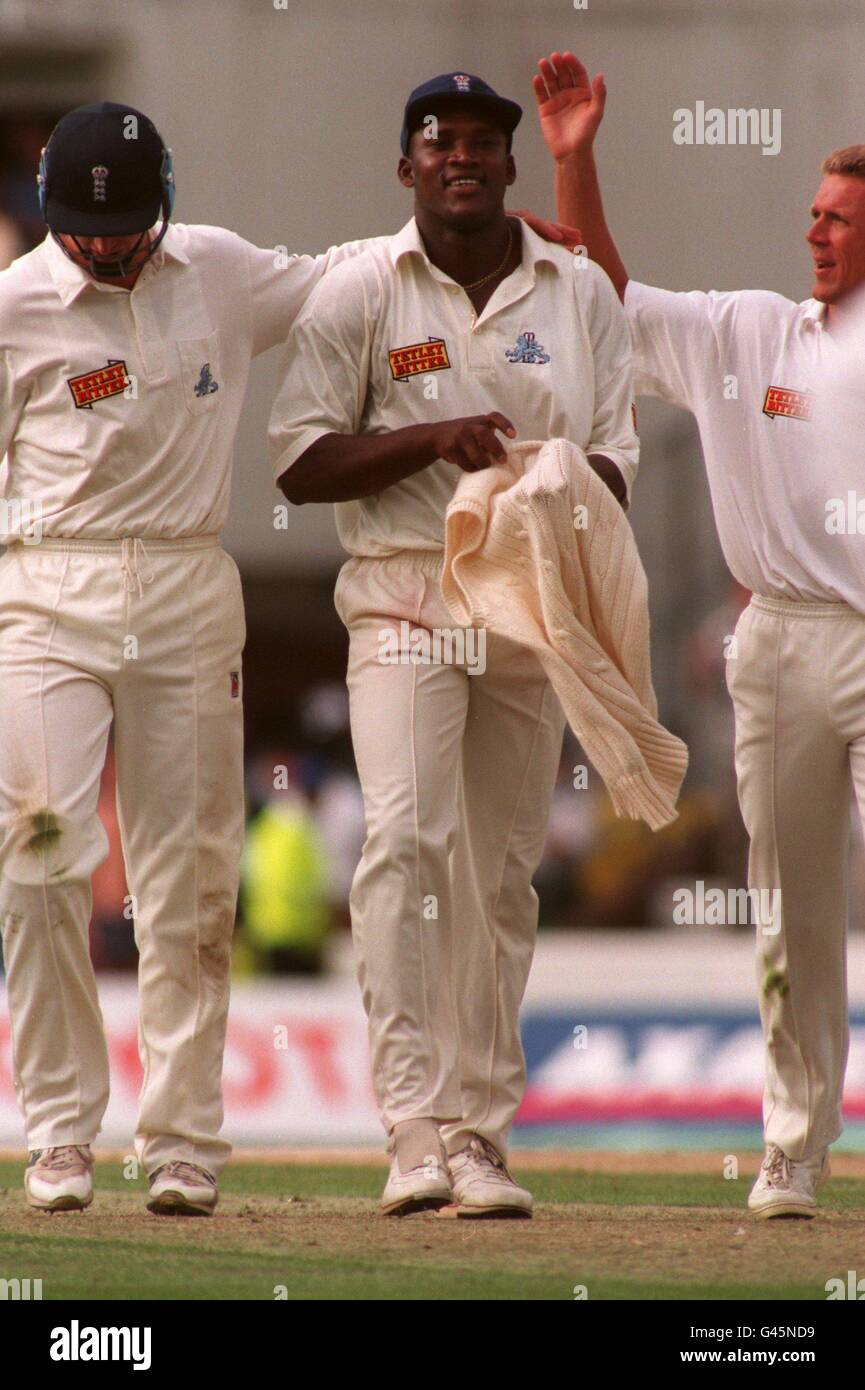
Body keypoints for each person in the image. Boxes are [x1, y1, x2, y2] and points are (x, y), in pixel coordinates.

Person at [0, 100, 392, 1217]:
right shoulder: (15, 307)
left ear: (164, 202)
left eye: (129, 231)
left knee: (191, 879)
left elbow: (341, 277)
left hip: (184, 585)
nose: (110, 253)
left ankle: (179, 1140)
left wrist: (477, 240)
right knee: (39, 857)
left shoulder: (217, 269)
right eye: (88, 235)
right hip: (48, 585)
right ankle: (60, 1133)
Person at [269, 72, 638, 1216]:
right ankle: (414, 1126)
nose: (461, 157)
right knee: (404, 840)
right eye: (439, 142)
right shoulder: (359, 290)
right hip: (404, 594)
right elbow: (298, 461)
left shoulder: (577, 291)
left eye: (483, 142)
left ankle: (479, 1135)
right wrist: (432, 440)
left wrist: (550, 479)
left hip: (527, 601)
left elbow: (618, 462)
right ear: (407, 166)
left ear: (513, 168)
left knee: (498, 875)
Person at [534, 49, 865, 1217]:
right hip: (776, 639)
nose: (814, 231)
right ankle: (792, 1148)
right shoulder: (749, 333)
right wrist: (575, 161)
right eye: (813, 213)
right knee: (789, 908)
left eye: (838, 218)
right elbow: (600, 299)